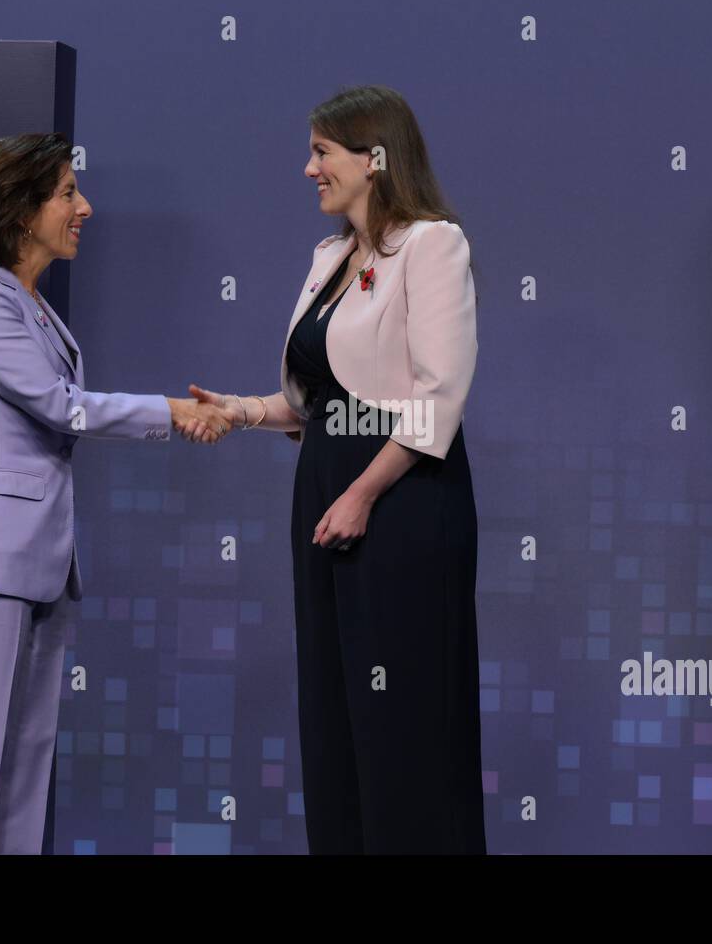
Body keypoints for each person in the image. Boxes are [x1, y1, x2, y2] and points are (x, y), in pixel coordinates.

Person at [188, 85, 486, 853]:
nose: (308, 168)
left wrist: (362, 491)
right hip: (325, 496)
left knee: (404, 721)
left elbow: (437, 396)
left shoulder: (433, 244)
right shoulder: (329, 259)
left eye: (322, 152)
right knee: (336, 712)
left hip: (403, 503)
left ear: (374, 158)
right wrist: (243, 410)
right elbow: (323, 401)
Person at [0, 132, 231, 854]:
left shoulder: (32, 306)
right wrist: (171, 411)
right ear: (22, 211)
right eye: (66, 194)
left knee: (26, 764)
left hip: (42, 564)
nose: (83, 206)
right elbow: (61, 407)